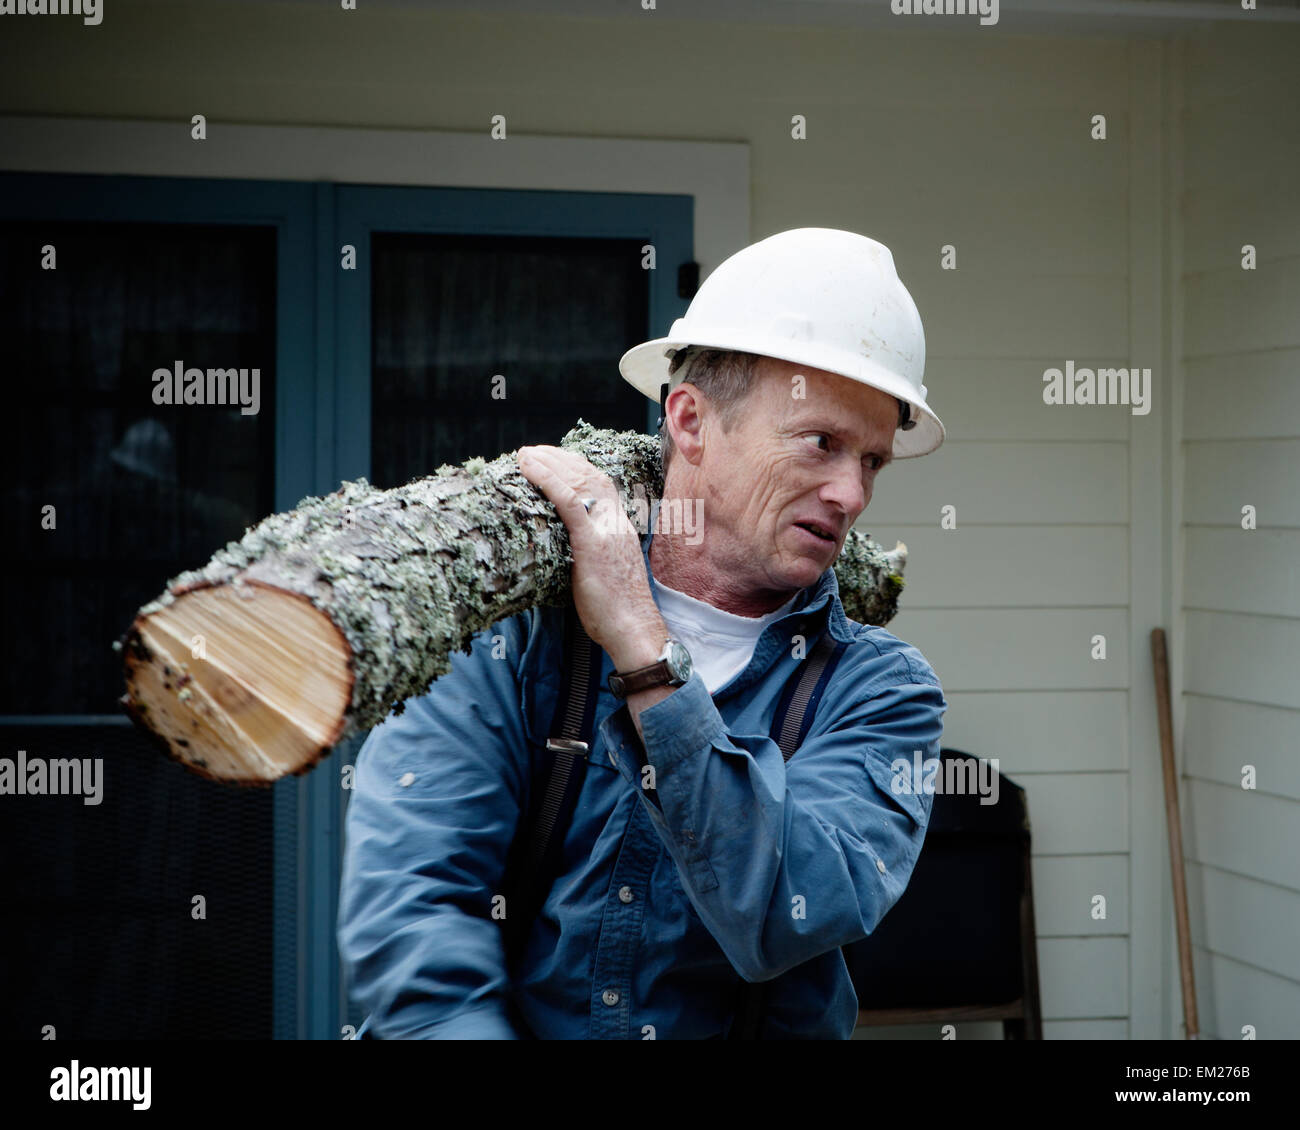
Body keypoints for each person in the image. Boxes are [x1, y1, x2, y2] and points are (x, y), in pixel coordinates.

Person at [338, 227, 948, 1039]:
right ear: (690, 422)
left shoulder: (878, 691)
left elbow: (781, 914)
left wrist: (644, 650)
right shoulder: (513, 633)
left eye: (872, 460)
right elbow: (413, 915)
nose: (851, 493)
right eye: (821, 443)